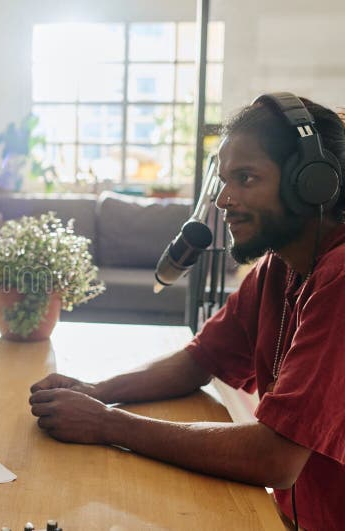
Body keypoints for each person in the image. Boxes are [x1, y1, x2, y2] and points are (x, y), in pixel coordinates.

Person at [29, 93, 345, 530]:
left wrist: (109, 425)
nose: (224, 200)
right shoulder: (279, 266)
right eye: (225, 180)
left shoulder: (340, 278)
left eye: (246, 178)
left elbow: (276, 457)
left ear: (310, 182)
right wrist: (96, 390)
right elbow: (201, 359)